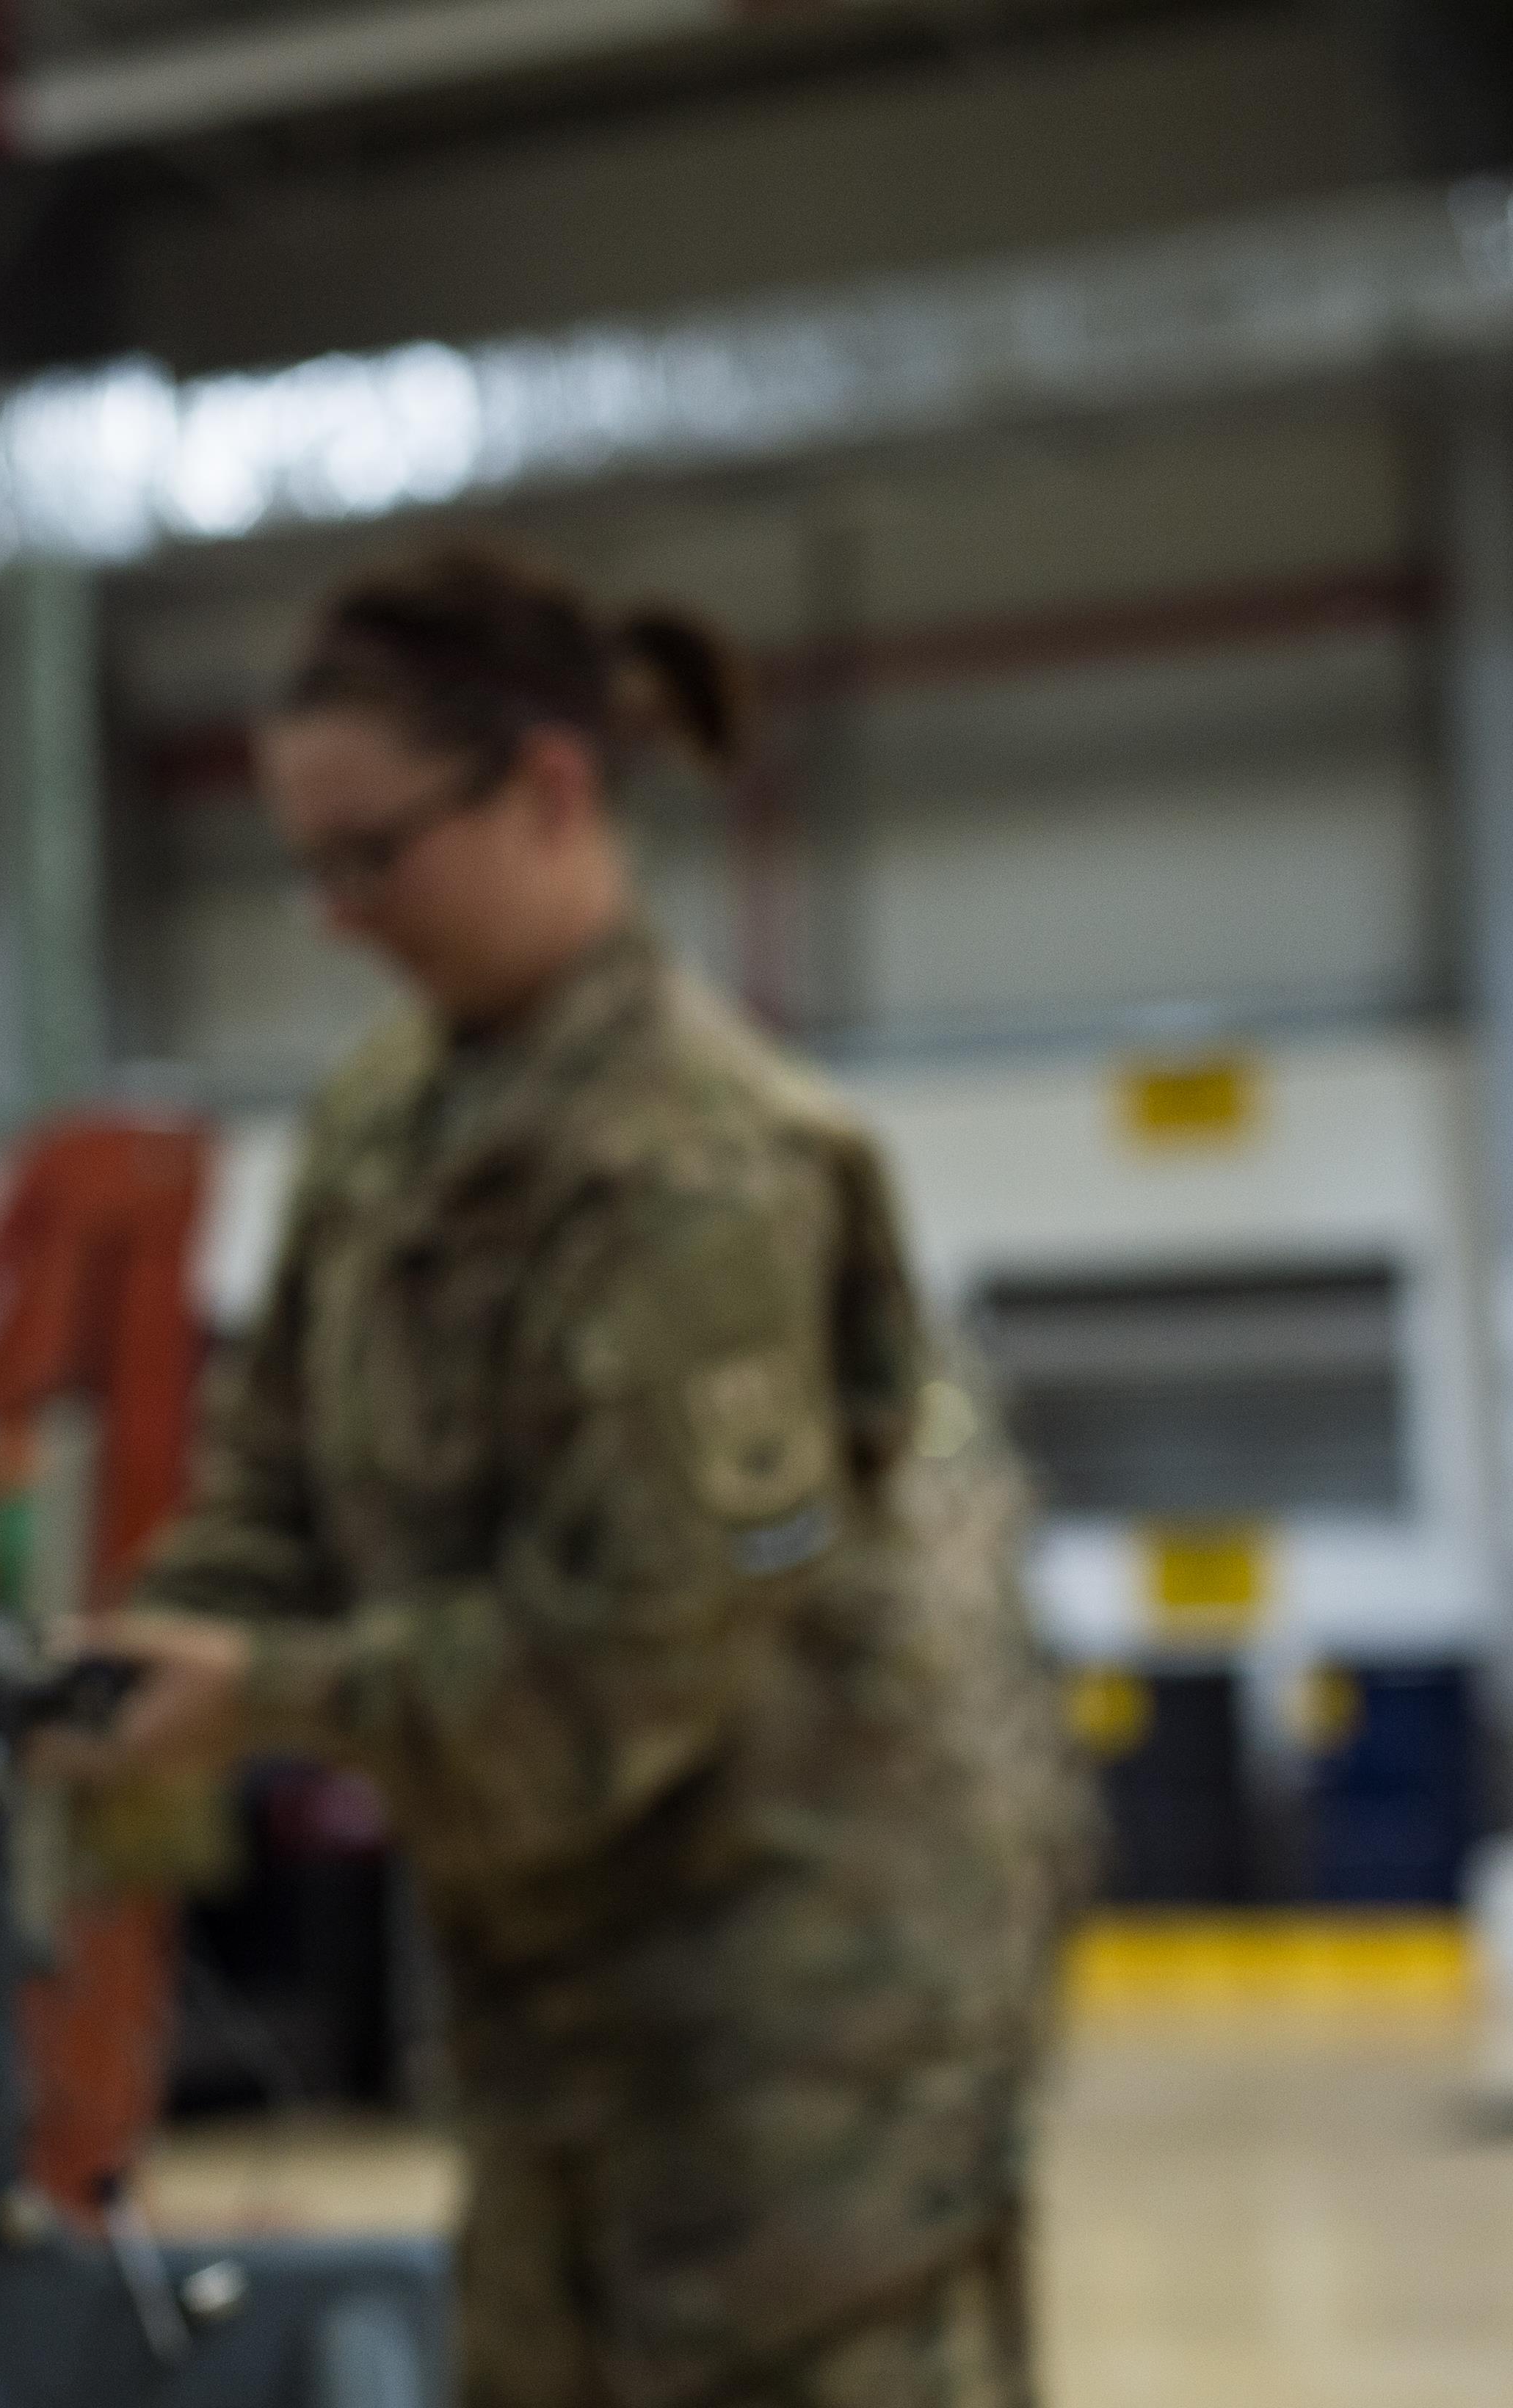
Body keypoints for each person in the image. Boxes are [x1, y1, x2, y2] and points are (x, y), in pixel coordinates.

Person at [70, 544, 1089, 2407]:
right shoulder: (388, 1125)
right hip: (561, 1992)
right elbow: (277, 1468)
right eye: (309, 863)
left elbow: (637, 1658)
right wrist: (160, 1639)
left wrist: (260, 1699)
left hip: (798, 2023)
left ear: (547, 788)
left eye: (373, 853)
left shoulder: (702, 1169)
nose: (337, 913)